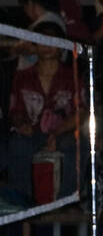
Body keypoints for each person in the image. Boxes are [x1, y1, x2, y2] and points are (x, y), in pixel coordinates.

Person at [7, 22, 81, 203]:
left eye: (52, 41)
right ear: (34, 46)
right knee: (17, 144)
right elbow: (15, 110)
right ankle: (23, 202)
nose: (47, 46)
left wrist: (58, 132)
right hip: (32, 131)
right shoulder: (22, 76)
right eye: (41, 41)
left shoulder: (73, 76)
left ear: (61, 46)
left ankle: (67, 200)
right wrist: (22, 124)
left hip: (65, 131)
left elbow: (82, 112)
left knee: (77, 145)